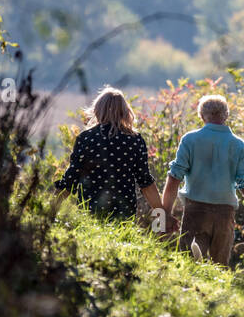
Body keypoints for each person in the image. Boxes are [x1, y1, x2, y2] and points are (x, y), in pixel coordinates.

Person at [162, 94, 244, 264]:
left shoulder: (190, 140)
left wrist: (165, 213)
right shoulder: (239, 146)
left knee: (190, 265)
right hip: (224, 214)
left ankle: (193, 281)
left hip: (195, 211)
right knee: (220, 268)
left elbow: (174, 179)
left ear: (201, 116)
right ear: (226, 115)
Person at [54, 86, 169, 224]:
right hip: (124, 215)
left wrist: (49, 211)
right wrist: (162, 217)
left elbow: (70, 179)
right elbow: (145, 183)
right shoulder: (134, 140)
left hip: (89, 214)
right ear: (125, 112)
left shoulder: (86, 138)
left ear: (96, 110)